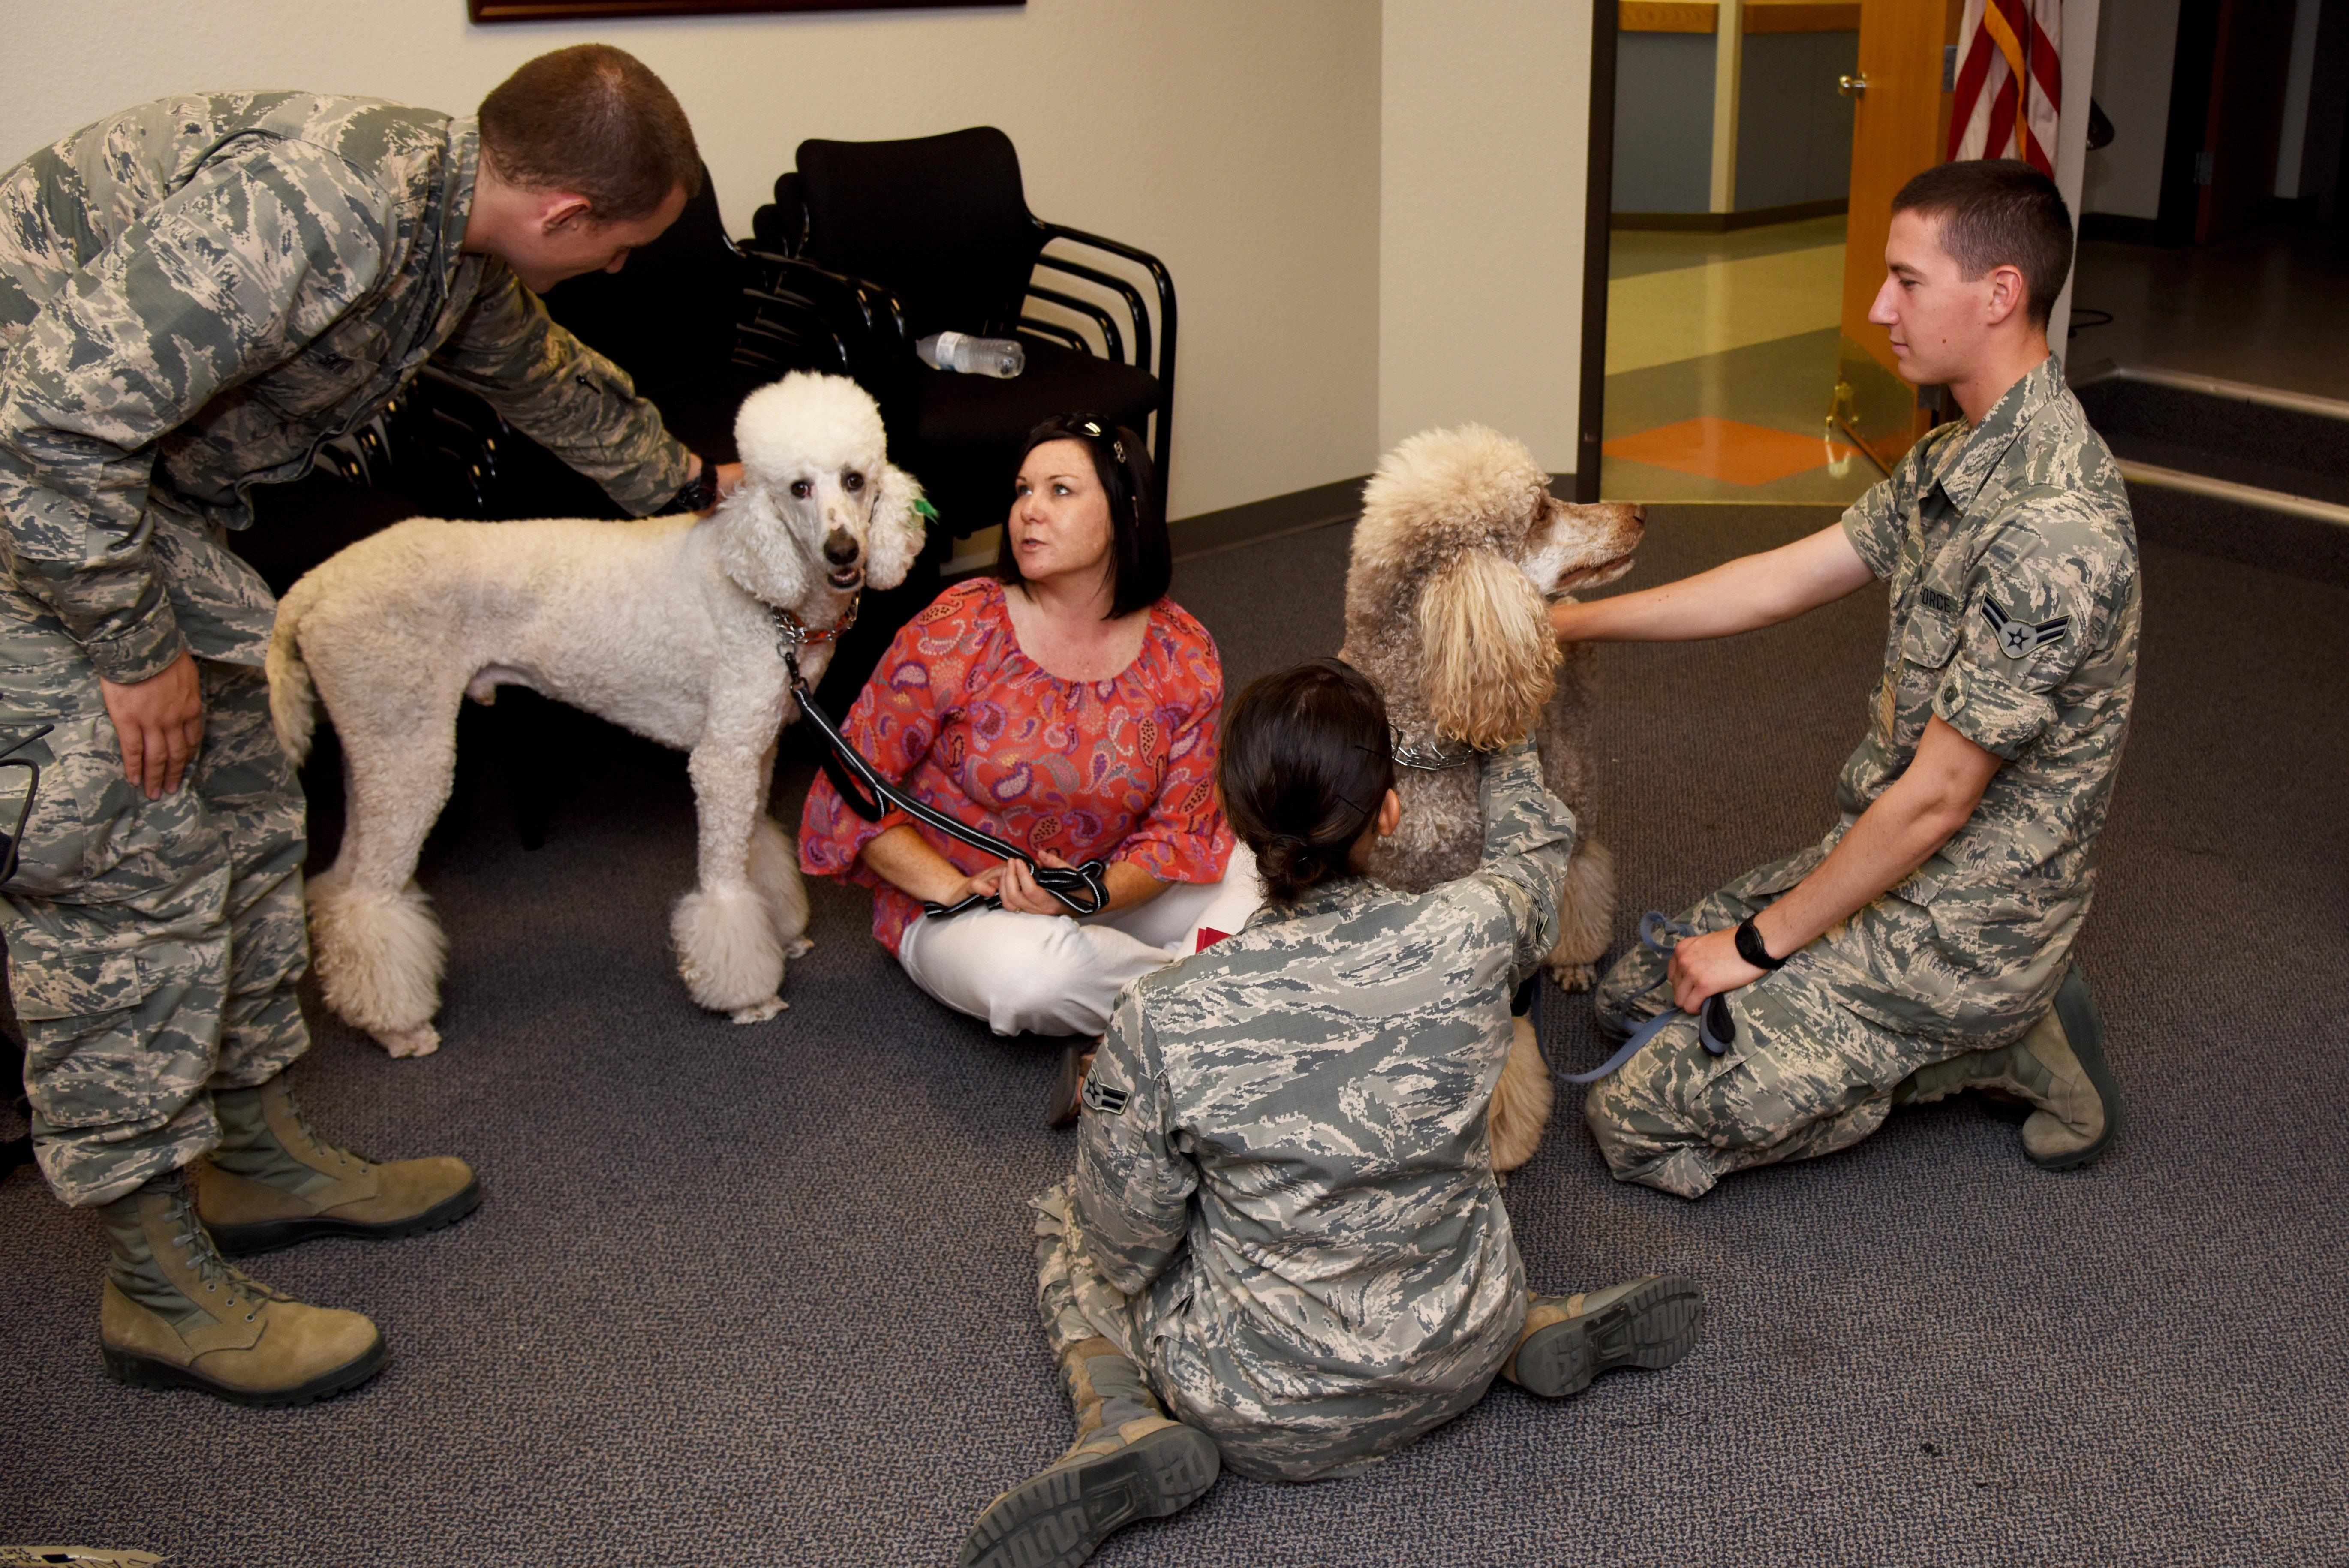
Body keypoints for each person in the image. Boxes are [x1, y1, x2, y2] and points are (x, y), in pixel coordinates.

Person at [0, 45, 742, 1405]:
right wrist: (131, 646)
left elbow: (550, 381)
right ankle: (157, 1286)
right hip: (37, 524)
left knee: (252, 815)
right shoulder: (313, 209)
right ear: (564, 214)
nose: (617, 274)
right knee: (125, 872)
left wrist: (701, 486)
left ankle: (252, 1150)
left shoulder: (451, 238)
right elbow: (43, 428)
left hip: (138, 521)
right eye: (622, 248)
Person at [960, 659, 1705, 1568]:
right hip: (1460, 1341)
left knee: (1071, 1218)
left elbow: (1128, 1246)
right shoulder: (1474, 930)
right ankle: (1516, 1327)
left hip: (1264, 1411)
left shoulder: (1164, 1015)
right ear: (1387, 812)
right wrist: (1503, 736)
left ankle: (1119, 1417)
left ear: (1237, 826)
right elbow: (1535, 849)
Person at [1554, 160, 2137, 1200]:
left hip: (1969, 918)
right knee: (1634, 996)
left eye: (1906, 281)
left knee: (1633, 1113)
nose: (1878, 308)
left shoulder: (2057, 529)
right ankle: (1913, 1024)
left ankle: (1993, 1036)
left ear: (1999, 293)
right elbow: (1779, 580)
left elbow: (1940, 797)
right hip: (1895, 852)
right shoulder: (1959, 451)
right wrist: (1568, 622)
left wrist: (1754, 944)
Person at [799, 415, 1257, 1121]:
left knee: (1258, 866)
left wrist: (1083, 897)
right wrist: (954, 888)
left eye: (1060, 490)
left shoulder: (1184, 650)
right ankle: (1225, 1004)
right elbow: (846, 790)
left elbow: (1179, 836)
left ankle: (1141, 1031)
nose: (1028, 511)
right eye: (1022, 491)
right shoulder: (960, 626)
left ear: (1127, 511)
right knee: (1034, 976)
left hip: (1103, 885)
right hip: (962, 901)